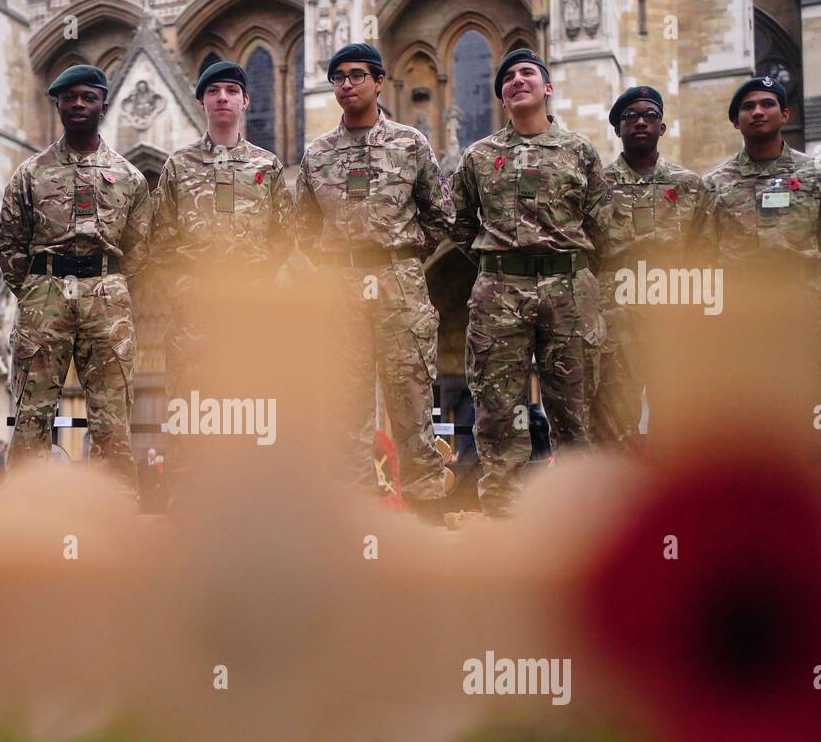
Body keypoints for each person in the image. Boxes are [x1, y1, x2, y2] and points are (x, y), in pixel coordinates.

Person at [294, 42, 456, 522]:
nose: (347, 84)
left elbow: (441, 214)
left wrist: (402, 256)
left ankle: (425, 503)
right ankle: (354, 512)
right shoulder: (317, 154)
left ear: (380, 81)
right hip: (339, 284)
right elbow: (303, 226)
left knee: (411, 394)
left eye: (357, 75)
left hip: (398, 282)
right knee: (346, 404)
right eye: (338, 76)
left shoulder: (410, 144)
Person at [448, 48, 610, 517]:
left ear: (547, 88)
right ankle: (503, 518)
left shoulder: (579, 150)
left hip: (569, 290)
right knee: (498, 412)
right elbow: (457, 222)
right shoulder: (479, 156)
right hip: (499, 293)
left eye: (528, 73)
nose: (518, 80)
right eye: (509, 77)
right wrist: (497, 265)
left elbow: (603, 223)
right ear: (501, 95)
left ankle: (579, 516)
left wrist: (571, 265)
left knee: (575, 410)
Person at [0, 64, 151, 493]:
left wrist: (112, 288)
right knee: (32, 409)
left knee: (111, 413)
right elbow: (10, 243)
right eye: (70, 98)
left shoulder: (130, 177)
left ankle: (115, 505)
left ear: (103, 102)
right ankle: (23, 504)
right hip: (45, 294)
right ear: (59, 105)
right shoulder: (30, 173)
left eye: (88, 97)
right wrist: (34, 291)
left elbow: (141, 248)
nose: (78, 104)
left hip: (107, 297)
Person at [150, 60, 295, 488]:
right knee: (190, 410)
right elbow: (160, 239)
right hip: (193, 315)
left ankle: (246, 505)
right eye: (214, 91)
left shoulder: (266, 166)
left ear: (246, 100)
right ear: (202, 102)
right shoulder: (178, 167)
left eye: (232, 90)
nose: (223, 98)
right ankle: (186, 506)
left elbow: (283, 237)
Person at [703, 76, 821, 438]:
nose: (757, 112)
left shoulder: (818, 174)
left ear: (784, 114)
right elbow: (703, 248)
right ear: (736, 122)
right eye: (747, 107)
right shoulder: (714, 184)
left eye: (766, 104)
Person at [594, 86, 708, 452]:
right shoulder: (597, 187)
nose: (641, 121)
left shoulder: (690, 186)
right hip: (614, 324)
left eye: (650, 116)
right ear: (618, 130)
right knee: (614, 427)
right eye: (631, 117)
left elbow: (705, 253)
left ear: (662, 127)